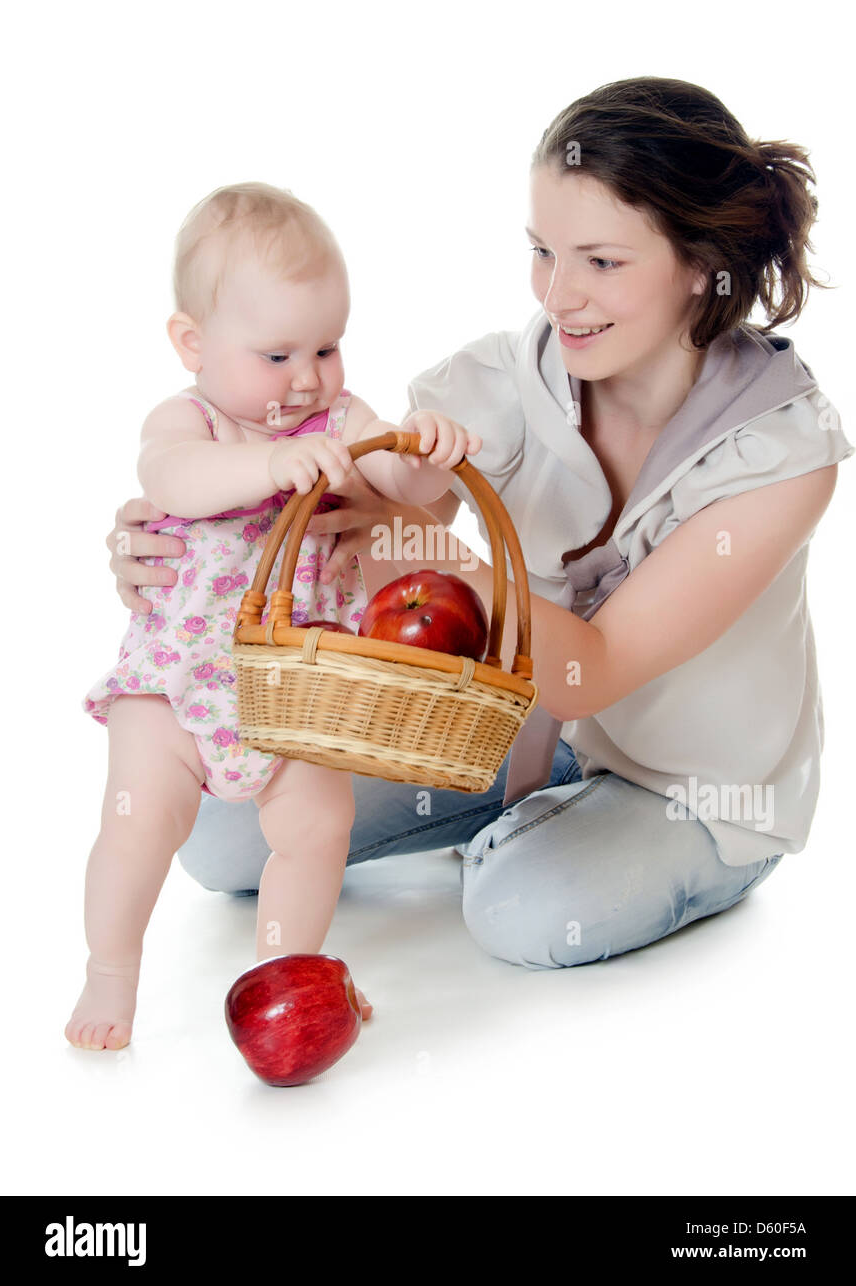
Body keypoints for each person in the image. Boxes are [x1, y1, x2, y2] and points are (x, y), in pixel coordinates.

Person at [107, 77, 853, 977]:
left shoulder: (779, 451)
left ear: (701, 264)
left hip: (687, 785)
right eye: (542, 251)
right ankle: (524, 814)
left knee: (521, 909)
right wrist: (184, 528)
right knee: (223, 839)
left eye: (600, 262)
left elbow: (587, 672)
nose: (558, 295)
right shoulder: (508, 378)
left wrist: (410, 540)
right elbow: (368, 536)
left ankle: (547, 841)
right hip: (514, 730)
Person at [67, 182, 482, 1051]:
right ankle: (109, 971)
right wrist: (271, 465)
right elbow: (173, 478)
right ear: (193, 344)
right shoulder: (191, 421)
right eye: (277, 354)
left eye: (327, 348)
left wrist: (426, 452)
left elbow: (394, 478)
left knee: (316, 828)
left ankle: (285, 977)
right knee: (139, 823)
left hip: (296, 688)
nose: (306, 378)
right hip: (174, 683)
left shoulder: (340, 418)